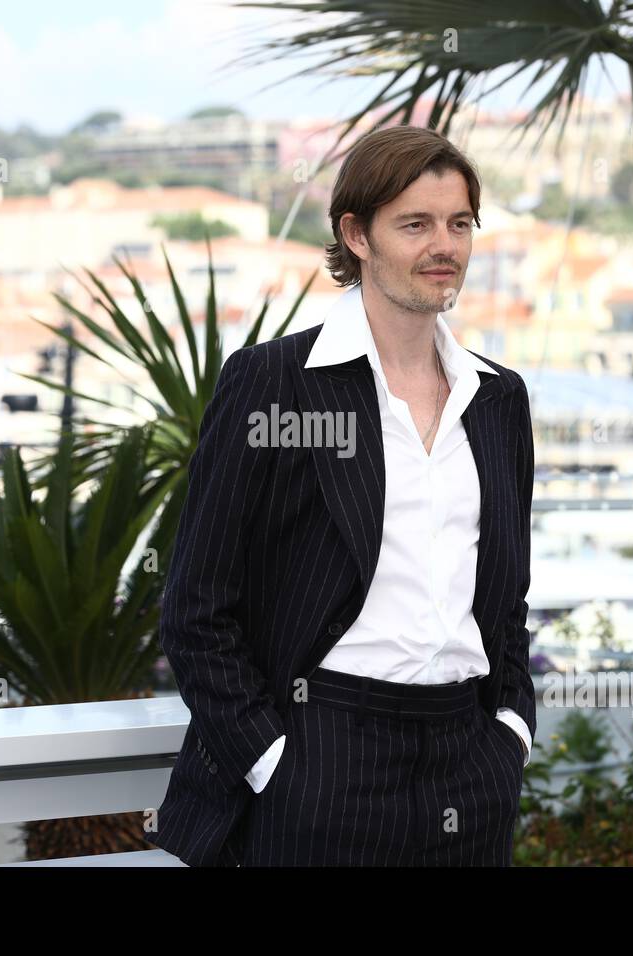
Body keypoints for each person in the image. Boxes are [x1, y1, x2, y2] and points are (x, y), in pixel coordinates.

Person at [145, 125, 536, 866]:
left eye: (459, 224)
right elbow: (196, 610)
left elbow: (507, 598)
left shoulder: (498, 399)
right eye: (415, 225)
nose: (443, 246)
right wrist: (273, 763)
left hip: (470, 763)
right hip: (322, 757)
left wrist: (511, 730)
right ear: (356, 234)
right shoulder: (275, 384)